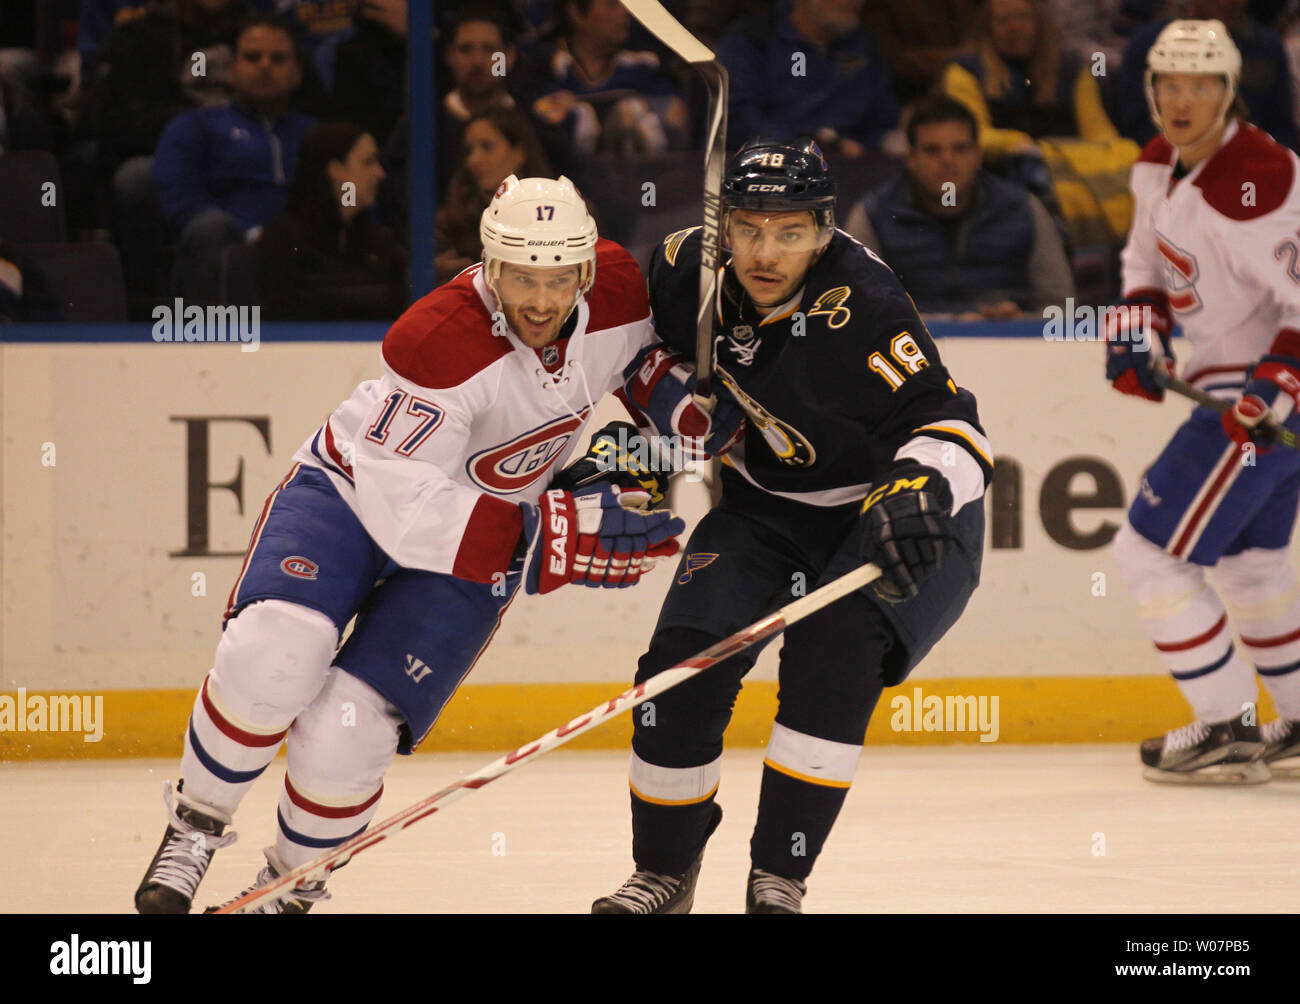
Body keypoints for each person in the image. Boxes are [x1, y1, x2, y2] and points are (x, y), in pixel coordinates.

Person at [134, 175, 687, 914]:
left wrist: (677, 409)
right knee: (275, 652)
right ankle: (194, 827)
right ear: (490, 267)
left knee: (346, 731)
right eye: (522, 276)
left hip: (482, 536)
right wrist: (549, 532)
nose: (543, 300)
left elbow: (640, 361)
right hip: (353, 499)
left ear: (586, 271)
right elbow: (403, 506)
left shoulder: (622, 291)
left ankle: (289, 889)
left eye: (560, 279)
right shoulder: (439, 338)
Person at [586, 137, 992, 913]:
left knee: (831, 666)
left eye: (792, 232)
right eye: (749, 228)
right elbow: (629, 360)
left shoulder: (864, 305)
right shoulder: (682, 270)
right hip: (762, 511)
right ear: (723, 226)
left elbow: (952, 421)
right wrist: (658, 420)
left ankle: (781, 875)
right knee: (679, 667)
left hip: (885, 521)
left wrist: (915, 487)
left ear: (825, 229)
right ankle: (665, 871)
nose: (767, 252)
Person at [1104, 19, 1300, 783]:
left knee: (1148, 551)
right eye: (1171, 86)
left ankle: (1224, 724)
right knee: (1253, 563)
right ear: (1151, 91)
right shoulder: (1157, 164)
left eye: (1202, 86)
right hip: (1233, 388)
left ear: (1229, 90)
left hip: (1260, 400)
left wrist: (1276, 384)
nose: (1184, 101)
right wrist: (1138, 332)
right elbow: (1142, 257)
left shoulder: (1263, 176)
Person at [845, 95, 1074, 319]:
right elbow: (855, 312)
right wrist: (942, 324)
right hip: (911, 351)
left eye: (960, 149)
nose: (947, 160)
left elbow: (1060, 308)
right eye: (932, 150)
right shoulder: (873, 215)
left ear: (977, 155)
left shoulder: (1023, 209)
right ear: (911, 158)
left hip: (1012, 347)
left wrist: (1019, 323)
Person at [151, 13, 316, 304]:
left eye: (278, 59)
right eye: (253, 57)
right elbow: (181, 202)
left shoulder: (315, 134)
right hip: (229, 246)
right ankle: (215, 341)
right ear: (232, 69)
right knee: (207, 228)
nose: (265, 66)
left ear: (298, 73)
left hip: (302, 252)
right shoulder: (194, 127)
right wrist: (251, 235)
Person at [255, 122, 408, 320]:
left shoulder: (381, 241)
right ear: (336, 170)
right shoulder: (284, 238)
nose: (380, 173)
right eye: (368, 162)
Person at [717, 0, 899, 158]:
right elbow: (736, 116)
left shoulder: (862, 45)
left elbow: (884, 117)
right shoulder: (752, 39)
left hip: (850, 165)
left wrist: (864, 145)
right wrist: (799, 148)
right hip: (769, 165)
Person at [436, 106, 553, 283]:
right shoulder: (451, 221)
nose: (473, 160)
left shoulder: (562, 211)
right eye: (469, 151)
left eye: (487, 147)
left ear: (520, 153)